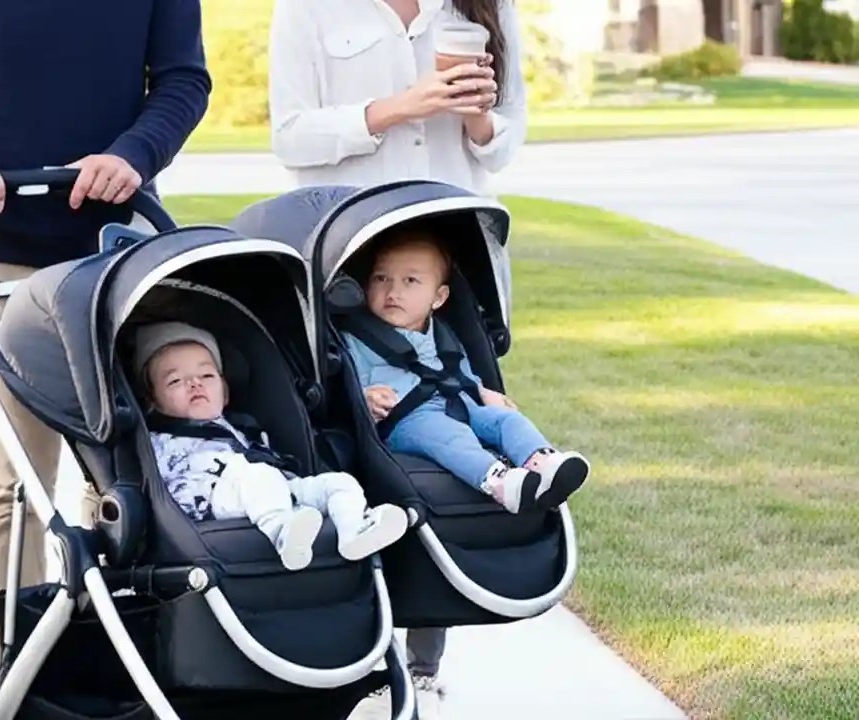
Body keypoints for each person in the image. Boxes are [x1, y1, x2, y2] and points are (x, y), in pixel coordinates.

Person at [0, 0, 211, 672]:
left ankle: (131, 672)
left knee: (126, 481)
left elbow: (182, 80)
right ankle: (22, 679)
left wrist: (132, 155)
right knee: (16, 487)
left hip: (115, 254)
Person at [267, 0, 528, 707]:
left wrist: (475, 118)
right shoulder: (308, 10)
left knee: (446, 449)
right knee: (354, 460)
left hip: (445, 270)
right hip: (344, 272)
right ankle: (358, 661)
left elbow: (506, 144)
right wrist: (394, 107)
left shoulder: (485, 8)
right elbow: (289, 136)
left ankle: (423, 669)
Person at [343, 228, 591, 513]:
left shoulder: (444, 336)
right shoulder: (355, 339)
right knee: (450, 435)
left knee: (506, 421)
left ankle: (543, 463)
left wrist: (484, 392)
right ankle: (498, 482)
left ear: (438, 298)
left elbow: (460, 374)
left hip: (460, 403)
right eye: (381, 278)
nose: (393, 291)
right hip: (406, 420)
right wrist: (365, 398)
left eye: (410, 281)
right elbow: (344, 388)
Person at [135, 321, 408, 570]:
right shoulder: (156, 439)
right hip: (211, 497)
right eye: (175, 381)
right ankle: (282, 531)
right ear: (153, 402)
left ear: (226, 391)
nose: (194, 384)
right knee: (258, 476)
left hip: (270, 485)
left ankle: (353, 532)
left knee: (339, 482)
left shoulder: (243, 428)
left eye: (206, 376)